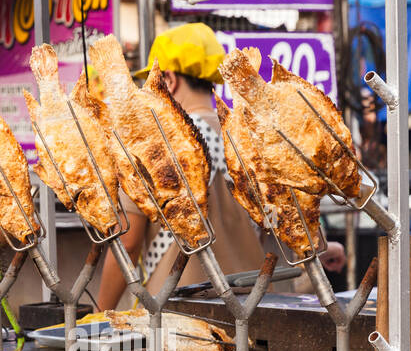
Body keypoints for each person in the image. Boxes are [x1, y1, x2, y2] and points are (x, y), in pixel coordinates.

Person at [96, 24, 324, 310]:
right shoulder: (255, 139)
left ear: (168, 80)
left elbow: (128, 243)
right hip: (258, 312)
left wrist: (100, 313)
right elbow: (296, 227)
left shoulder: (152, 146)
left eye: (150, 83)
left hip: (180, 315)